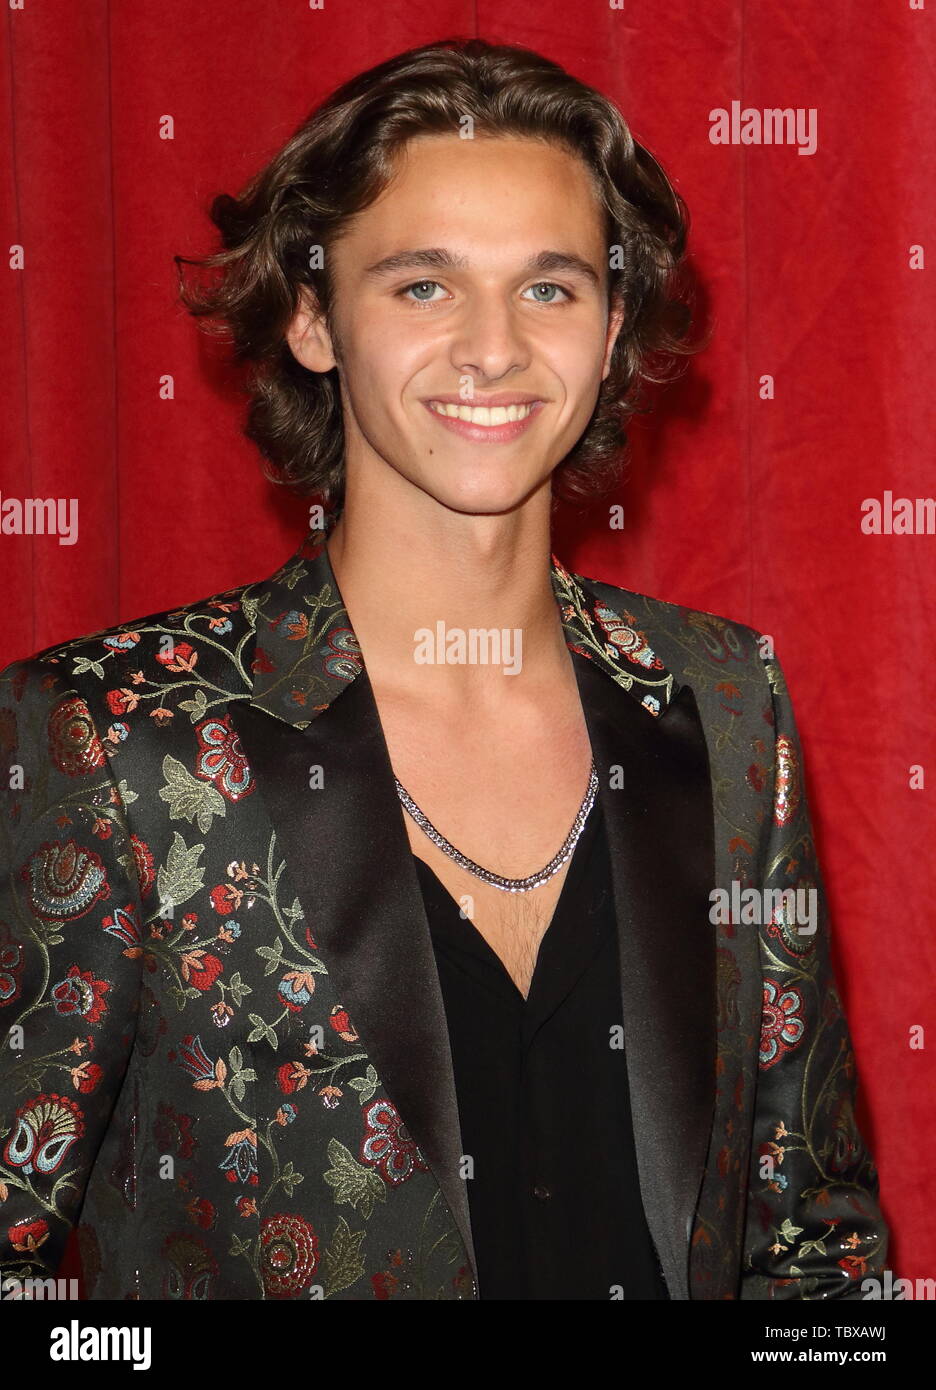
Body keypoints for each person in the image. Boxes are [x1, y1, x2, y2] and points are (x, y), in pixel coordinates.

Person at [0, 37, 887, 1301]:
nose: (492, 349)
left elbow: (815, 1246)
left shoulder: (727, 700)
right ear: (312, 318)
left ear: (614, 322)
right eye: (422, 286)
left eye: (550, 287)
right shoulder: (110, 732)